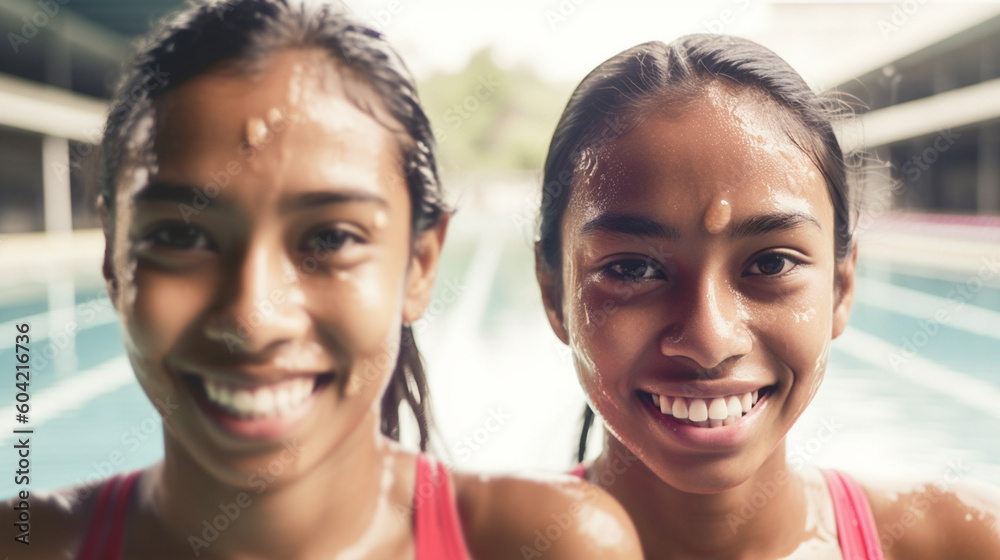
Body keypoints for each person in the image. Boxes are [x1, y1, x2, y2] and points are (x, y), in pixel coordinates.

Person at [1, 2, 643, 559]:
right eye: (181, 236)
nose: (252, 318)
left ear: (420, 265)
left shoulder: (549, 544)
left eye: (332, 238)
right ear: (114, 260)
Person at [534, 34, 1000, 559]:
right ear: (554, 293)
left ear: (841, 286)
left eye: (771, 263)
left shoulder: (966, 544)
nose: (710, 342)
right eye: (633, 269)